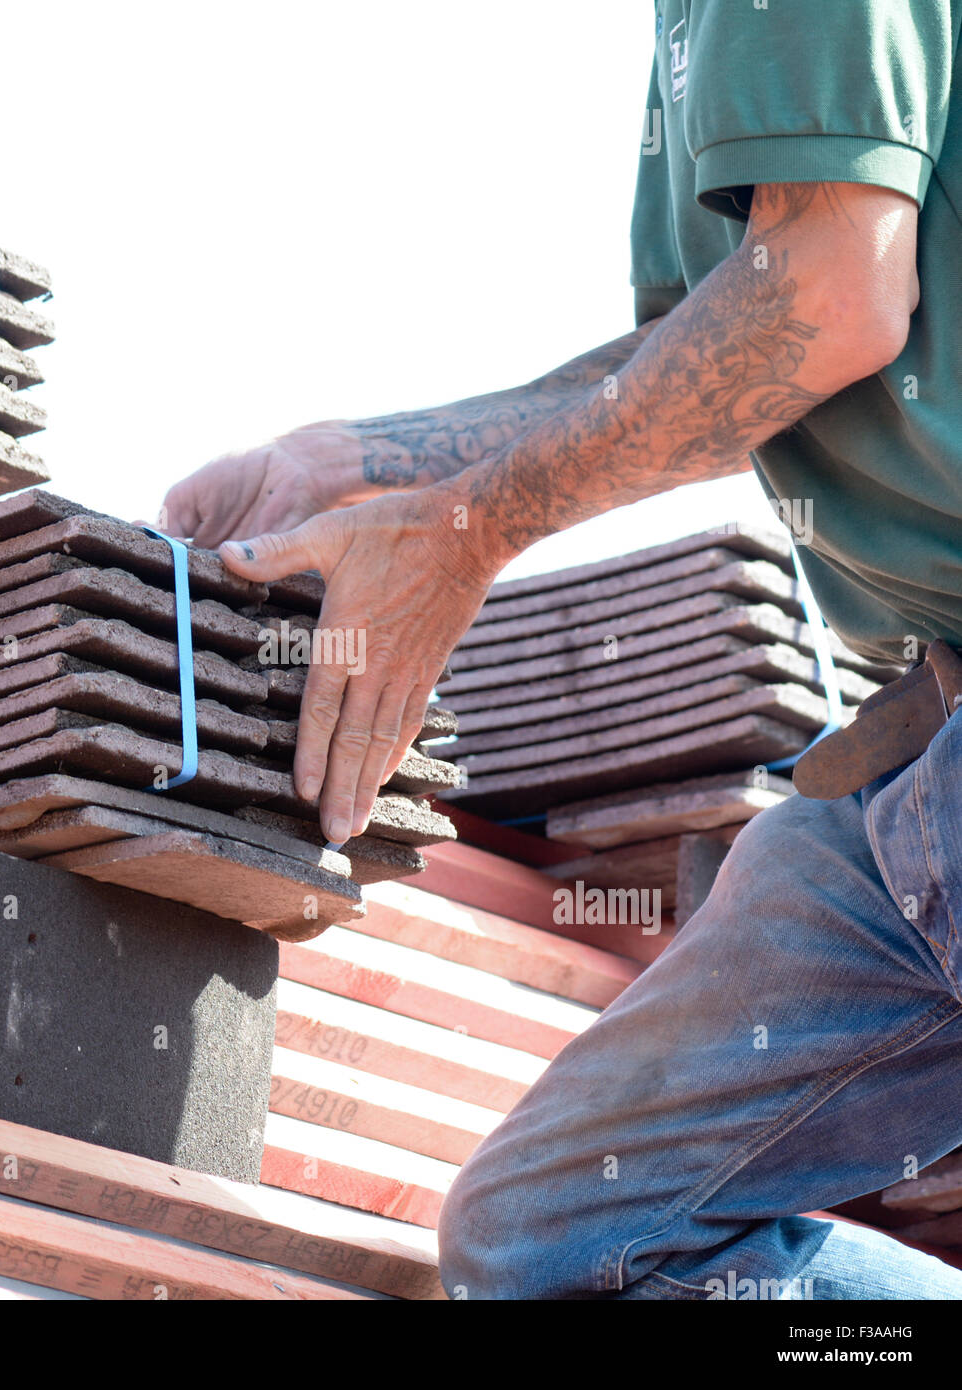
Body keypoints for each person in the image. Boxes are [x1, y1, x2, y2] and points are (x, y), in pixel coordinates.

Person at [160, 0, 962, 1298]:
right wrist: (360, 465)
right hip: (924, 749)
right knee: (563, 1241)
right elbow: (716, 333)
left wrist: (468, 533)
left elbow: (834, 289)